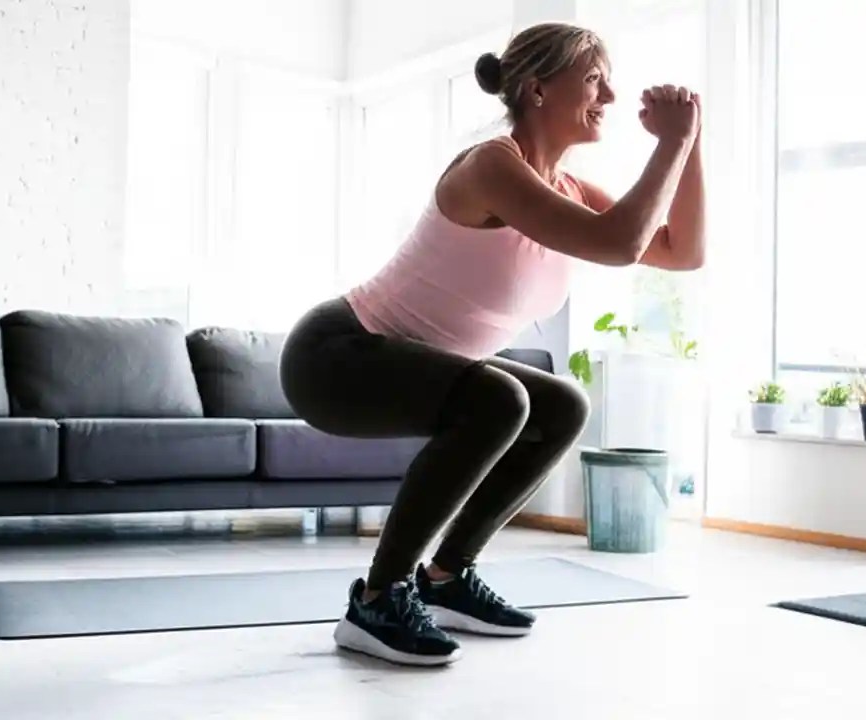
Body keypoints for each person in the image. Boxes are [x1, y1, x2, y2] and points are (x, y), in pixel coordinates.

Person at [278, 22, 705, 667]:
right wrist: (669, 141)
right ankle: (377, 598)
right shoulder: (490, 165)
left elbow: (682, 251)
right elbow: (619, 244)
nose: (610, 96)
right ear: (537, 90)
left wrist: (690, 141)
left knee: (562, 404)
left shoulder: (566, 188)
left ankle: (447, 579)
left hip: (413, 362)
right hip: (335, 357)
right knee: (499, 398)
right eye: (593, 78)